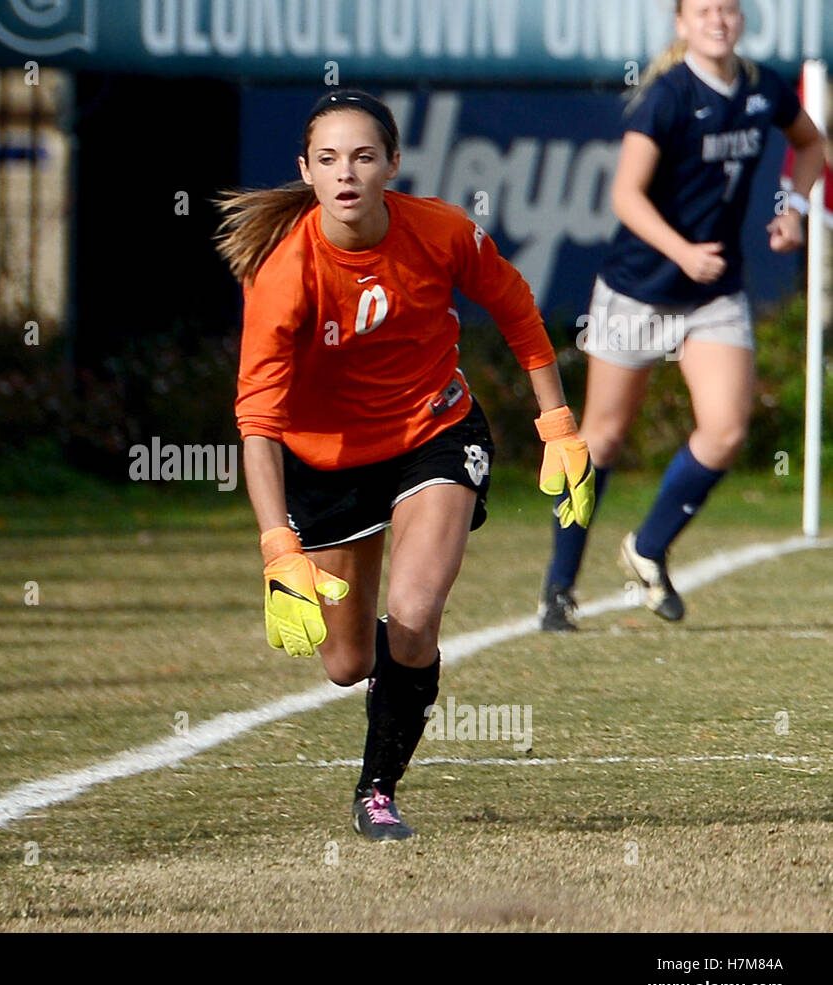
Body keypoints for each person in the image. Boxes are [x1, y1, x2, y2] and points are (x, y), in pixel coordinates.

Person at [214, 89, 594, 841]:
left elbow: (517, 309)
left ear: (393, 162)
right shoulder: (284, 272)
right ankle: (387, 678)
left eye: (362, 156)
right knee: (346, 664)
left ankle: (377, 790)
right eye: (327, 160)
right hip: (328, 464)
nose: (346, 173)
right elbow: (257, 422)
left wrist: (558, 425)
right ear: (306, 170)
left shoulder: (440, 230)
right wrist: (276, 545)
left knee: (415, 618)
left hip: (435, 432)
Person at [539, 0, 826, 630]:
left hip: (713, 293)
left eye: (726, 9)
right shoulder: (667, 95)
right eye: (703, 11)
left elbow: (811, 144)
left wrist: (794, 209)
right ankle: (559, 587)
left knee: (725, 431)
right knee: (603, 439)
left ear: (741, 19)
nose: (717, 20)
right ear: (681, 23)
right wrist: (681, 251)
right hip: (639, 287)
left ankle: (647, 548)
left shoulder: (760, 87)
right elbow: (625, 194)